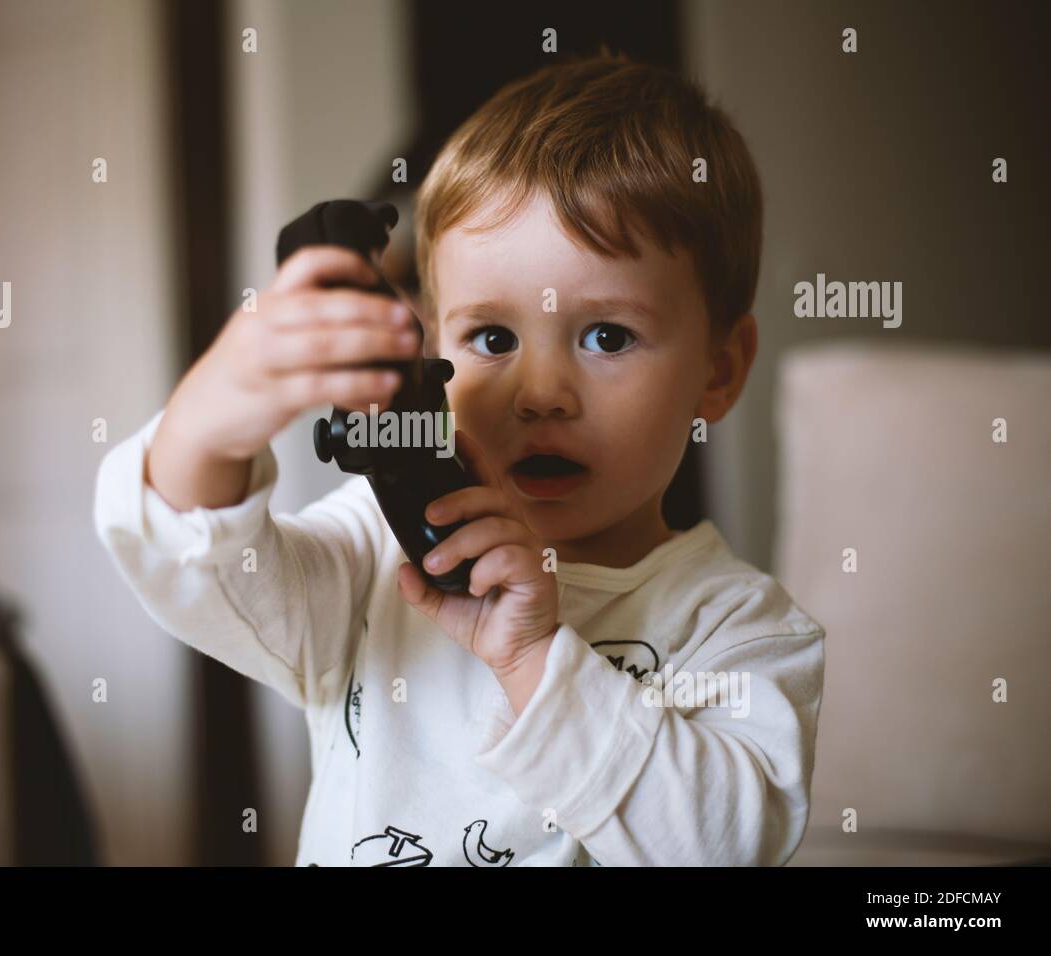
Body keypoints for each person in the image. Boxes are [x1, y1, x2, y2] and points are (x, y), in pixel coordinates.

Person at [94, 51, 824, 866]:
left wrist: (532, 659)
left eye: (607, 336)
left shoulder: (738, 629)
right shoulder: (384, 553)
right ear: (434, 345)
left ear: (718, 370)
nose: (540, 391)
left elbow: (721, 848)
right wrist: (209, 423)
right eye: (491, 337)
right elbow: (202, 570)